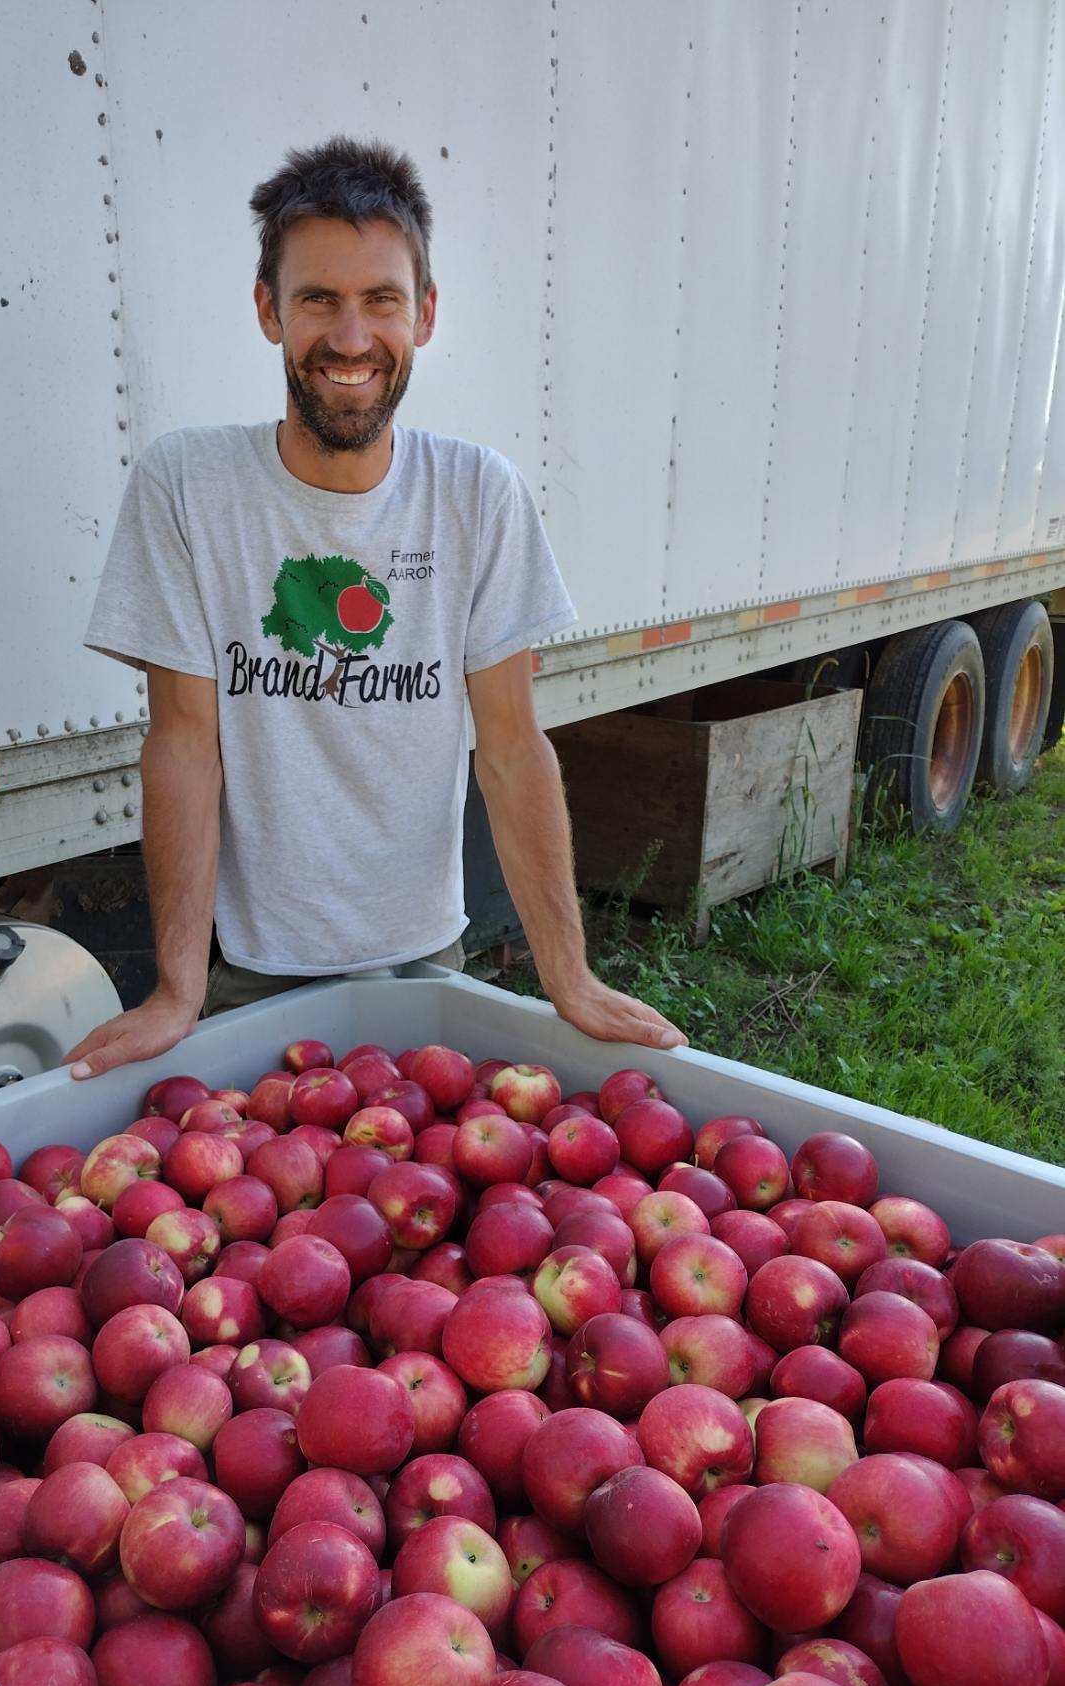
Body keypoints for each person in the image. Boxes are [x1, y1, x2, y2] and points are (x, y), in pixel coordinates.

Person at [66, 135, 685, 1080]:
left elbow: (512, 748)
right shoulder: (188, 486)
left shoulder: (478, 494)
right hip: (246, 972)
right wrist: (176, 991)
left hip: (423, 966)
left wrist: (570, 978)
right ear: (269, 309)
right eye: (318, 299)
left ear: (424, 314)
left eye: (380, 301)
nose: (350, 339)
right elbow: (185, 744)